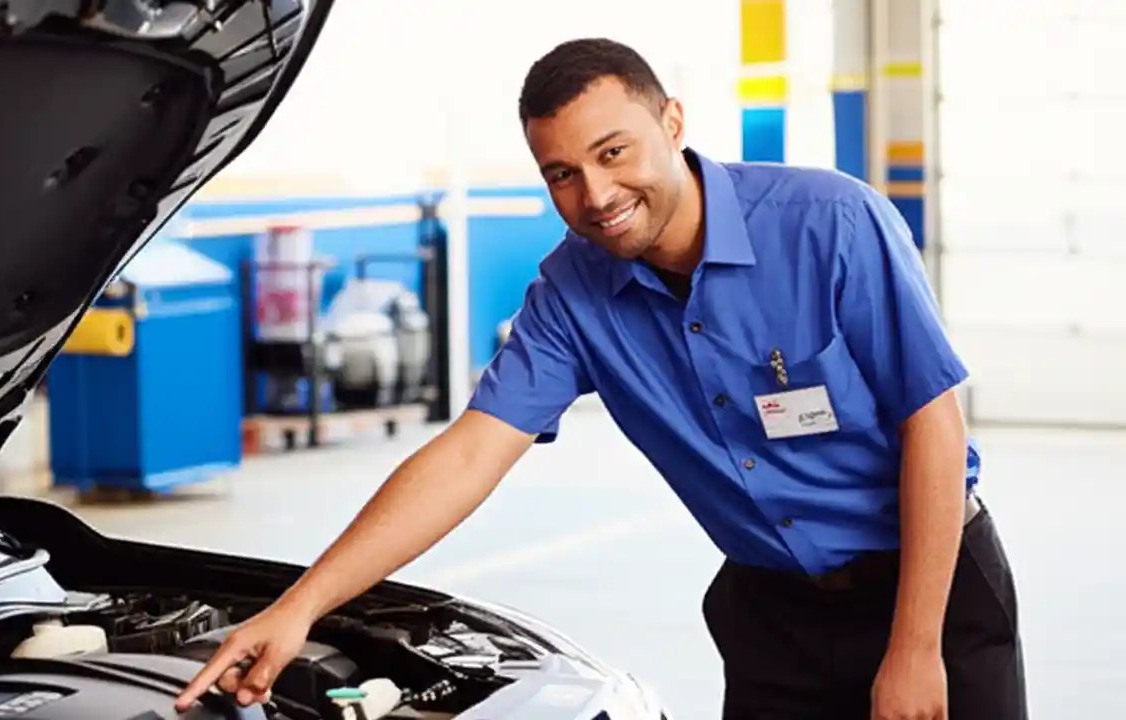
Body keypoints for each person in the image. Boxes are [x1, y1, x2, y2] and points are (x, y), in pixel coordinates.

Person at [175, 37, 1027, 719]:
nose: (597, 193)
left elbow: (933, 424)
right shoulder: (571, 294)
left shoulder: (830, 222)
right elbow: (469, 454)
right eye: (562, 174)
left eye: (614, 152)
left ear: (674, 122)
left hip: (932, 590)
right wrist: (299, 607)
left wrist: (915, 649)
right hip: (775, 620)